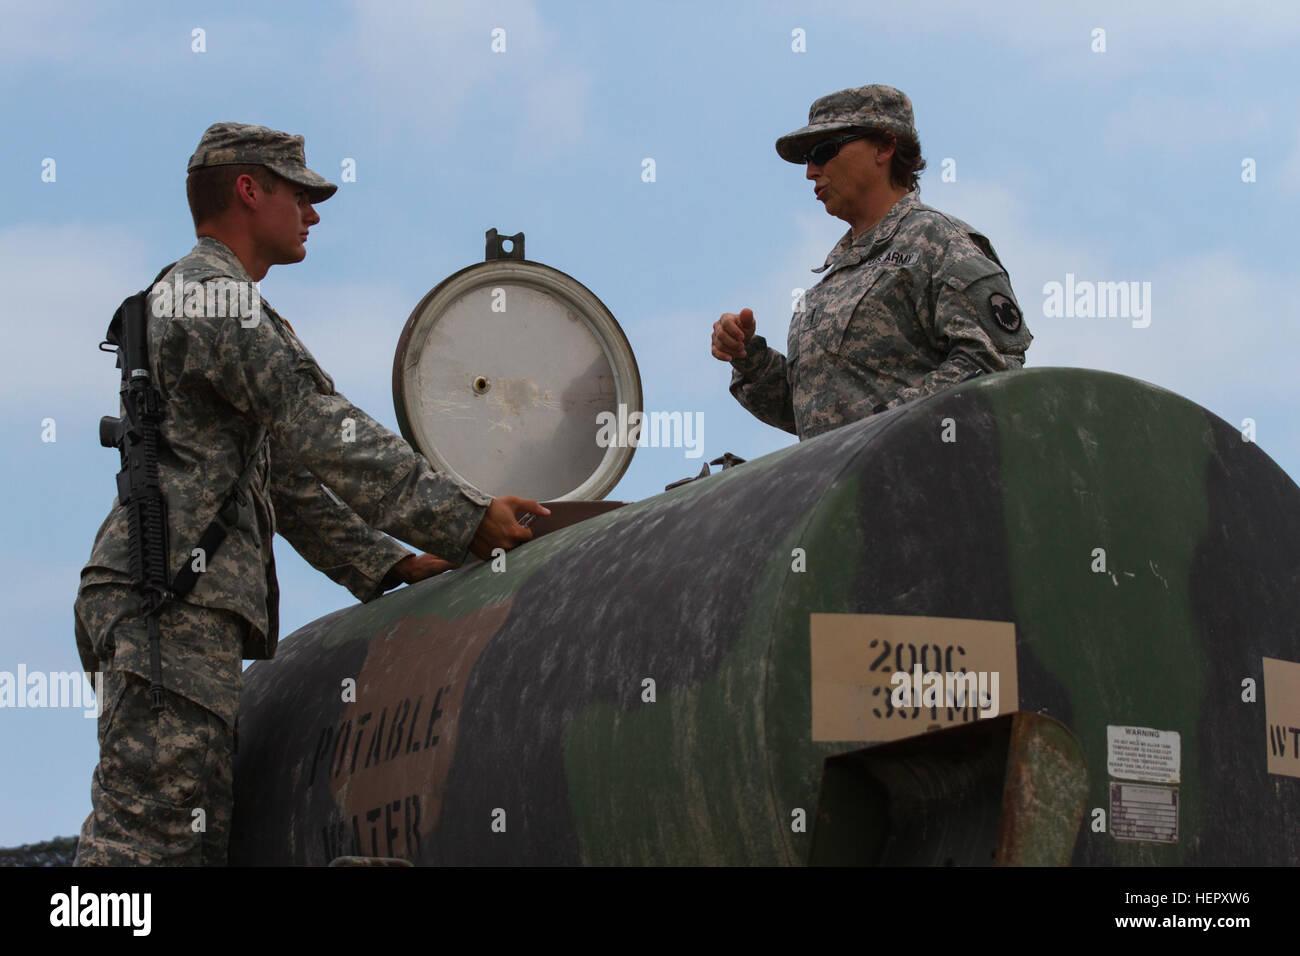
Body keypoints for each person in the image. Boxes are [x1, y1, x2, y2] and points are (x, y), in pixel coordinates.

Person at [73, 122, 548, 865]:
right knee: (154, 847)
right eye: (301, 194)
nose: (314, 213)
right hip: (170, 602)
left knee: (183, 835)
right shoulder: (215, 299)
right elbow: (319, 428)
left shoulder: (203, 297)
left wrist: (386, 567)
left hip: (170, 600)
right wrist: (463, 520)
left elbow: (285, 479)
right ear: (248, 189)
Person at [712, 85, 1033, 440]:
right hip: (842, 490)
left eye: (823, 151)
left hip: (924, 486)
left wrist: (876, 433)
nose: (811, 172)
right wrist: (749, 358)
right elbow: (813, 415)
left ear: (884, 146)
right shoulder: (825, 288)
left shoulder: (938, 242)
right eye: (807, 160)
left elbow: (991, 366)